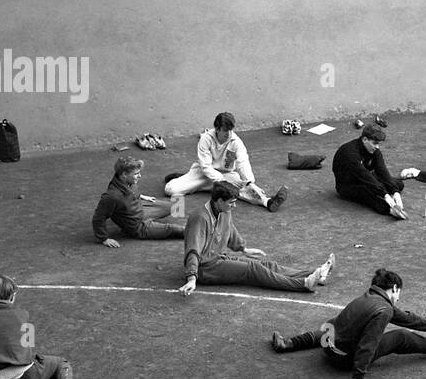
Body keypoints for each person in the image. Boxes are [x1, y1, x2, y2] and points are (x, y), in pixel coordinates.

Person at [271, 269, 426, 379]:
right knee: (400, 337)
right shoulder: (384, 310)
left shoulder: (368, 297)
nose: (398, 297)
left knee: (332, 325)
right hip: (343, 360)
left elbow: (407, 318)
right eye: (399, 293)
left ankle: (288, 343)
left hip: (327, 345)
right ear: (394, 288)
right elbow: (368, 344)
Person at [179, 185, 333, 296]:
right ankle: (303, 284)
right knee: (254, 269)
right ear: (219, 201)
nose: (234, 205)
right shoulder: (199, 218)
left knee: (267, 265)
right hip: (204, 269)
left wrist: (243, 249)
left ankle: (316, 273)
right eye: (231, 202)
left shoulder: (224, 211)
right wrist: (192, 278)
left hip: (217, 259)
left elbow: (229, 230)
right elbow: (192, 250)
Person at [163, 111, 289, 209]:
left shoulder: (236, 142)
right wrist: (222, 182)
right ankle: (186, 179)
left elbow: (242, 162)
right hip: (204, 174)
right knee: (170, 190)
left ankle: (268, 202)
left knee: (247, 189)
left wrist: (250, 182)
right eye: (225, 130)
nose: (228, 134)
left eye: (231, 130)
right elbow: (206, 166)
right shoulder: (206, 139)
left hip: (227, 175)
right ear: (217, 129)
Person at [92, 155, 186, 247]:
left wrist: (142, 197)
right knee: (176, 230)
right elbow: (98, 218)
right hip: (138, 226)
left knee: (176, 206)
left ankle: (154, 220)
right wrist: (104, 238)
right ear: (124, 174)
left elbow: (130, 193)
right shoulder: (112, 196)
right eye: (136, 174)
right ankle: (195, 232)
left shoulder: (128, 181)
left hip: (140, 210)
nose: (140, 176)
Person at [332, 124, 407, 220]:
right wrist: (387, 197)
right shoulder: (350, 153)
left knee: (398, 184)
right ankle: (389, 210)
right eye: (375, 143)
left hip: (366, 177)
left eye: (378, 144)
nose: (377, 147)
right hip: (347, 185)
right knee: (367, 193)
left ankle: (387, 192)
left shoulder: (374, 150)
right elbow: (364, 175)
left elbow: (382, 170)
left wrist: (395, 192)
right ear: (364, 140)